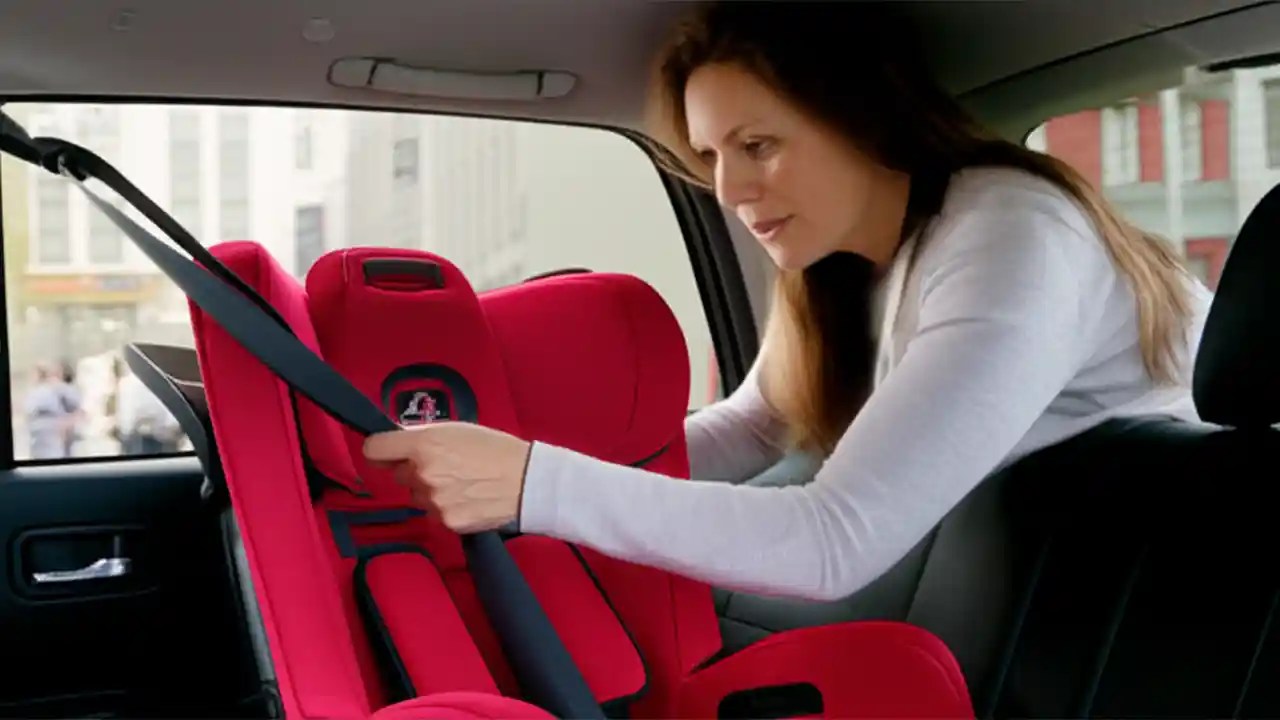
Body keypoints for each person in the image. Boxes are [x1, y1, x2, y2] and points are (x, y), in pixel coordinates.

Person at [364, 2, 1213, 601]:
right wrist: (519, 462)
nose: (728, 188)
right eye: (709, 154)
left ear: (862, 116)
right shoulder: (839, 264)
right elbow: (755, 426)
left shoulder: (1014, 235)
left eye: (758, 146)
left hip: (1160, 578)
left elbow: (832, 541)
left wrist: (533, 485)